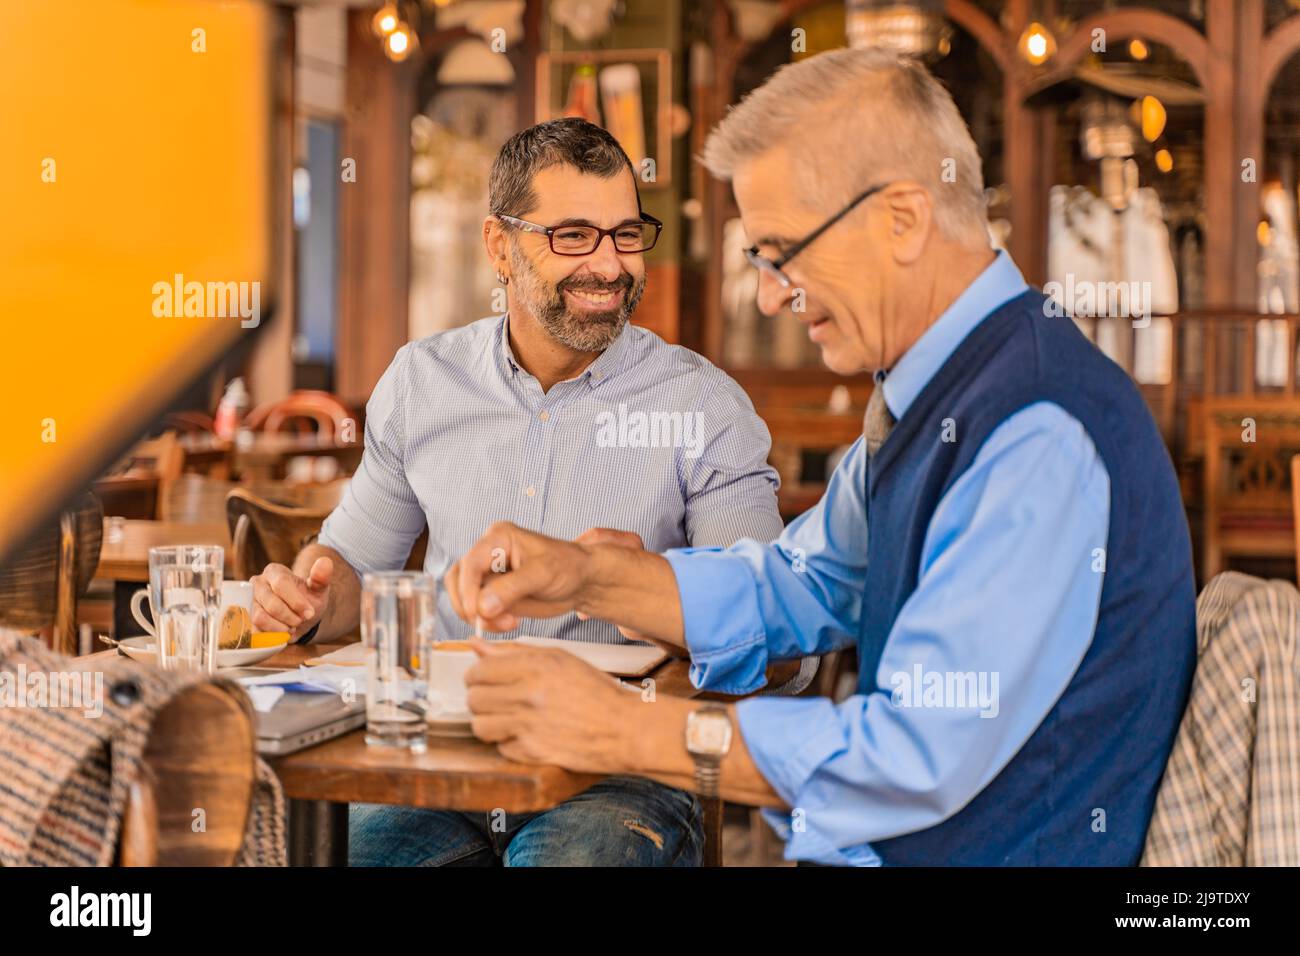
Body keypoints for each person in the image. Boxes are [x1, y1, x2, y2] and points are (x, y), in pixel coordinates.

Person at [444, 49, 1197, 866]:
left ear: (902, 219)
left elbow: (908, 758)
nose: (771, 293)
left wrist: (619, 727)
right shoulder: (930, 393)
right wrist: (588, 576)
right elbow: (801, 584)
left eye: (780, 251)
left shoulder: (1037, 427)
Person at [250, 118, 783, 866]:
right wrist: (308, 601)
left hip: (622, 772)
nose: (609, 265)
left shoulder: (705, 405)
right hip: (436, 758)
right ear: (499, 246)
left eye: (626, 235)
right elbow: (350, 573)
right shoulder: (422, 382)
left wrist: (638, 590)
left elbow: (780, 637)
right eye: (573, 236)